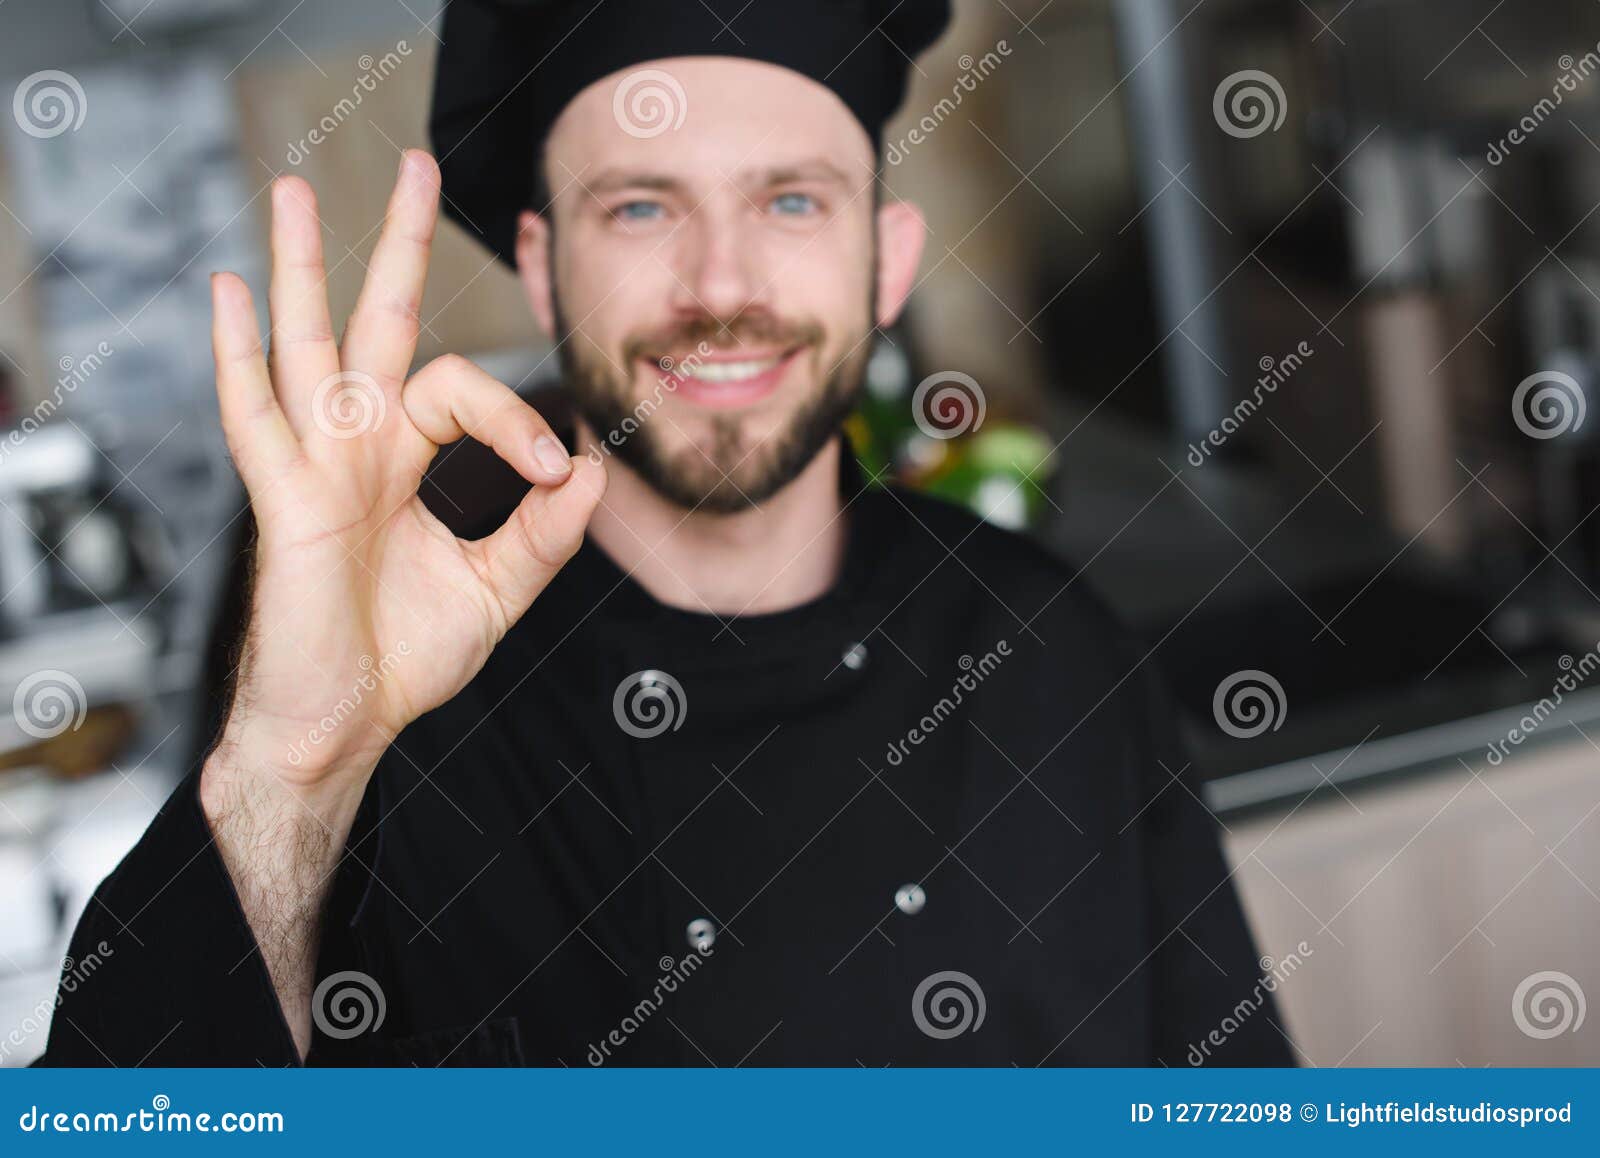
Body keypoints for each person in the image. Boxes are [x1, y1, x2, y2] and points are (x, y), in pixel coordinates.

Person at [39, 0, 1290, 1067]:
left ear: (885, 259)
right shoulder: (387, 686)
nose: (722, 286)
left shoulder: (1050, 651)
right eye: (640, 209)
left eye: (791, 200)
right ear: (540, 267)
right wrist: (292, 767)